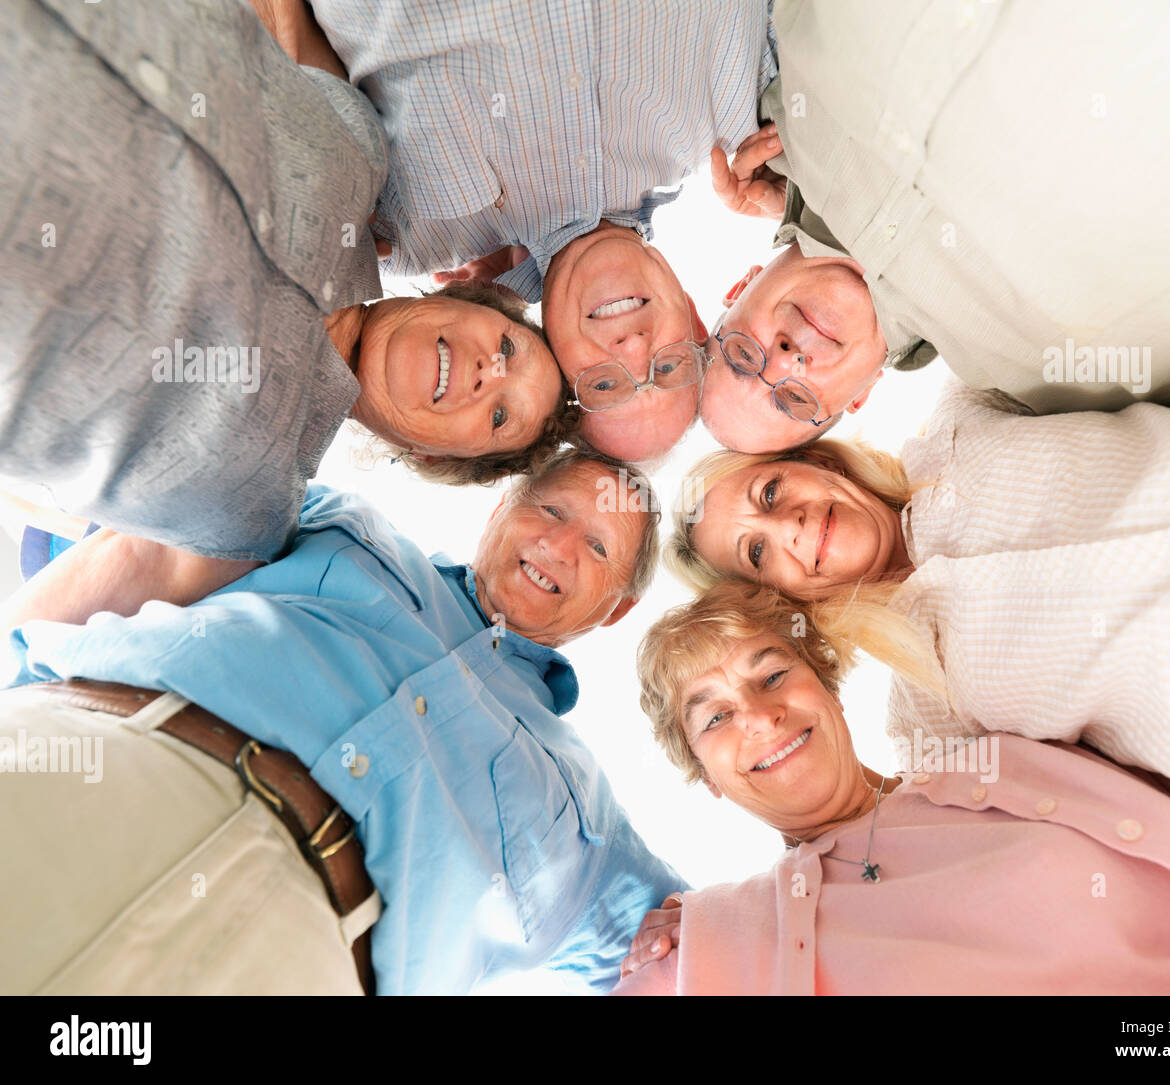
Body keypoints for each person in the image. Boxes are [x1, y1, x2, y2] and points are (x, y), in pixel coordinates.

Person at [0, 450, 684, 994]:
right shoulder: (343, 526)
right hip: (108, 752)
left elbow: (707, 952)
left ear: (615, 609)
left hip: (297, 959)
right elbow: (142, 558)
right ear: (501, 508)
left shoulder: (588, 819)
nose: (560, 545)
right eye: (551, 508)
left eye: (597, 547)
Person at [0, 0, 572, 581]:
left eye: (501, 416)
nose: (488, 373)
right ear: (457, 296)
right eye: (507, 348)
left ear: (433, 456)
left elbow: (100, 596)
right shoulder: (358, 157)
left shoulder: (250, 506)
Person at [666, 370, 1170, 881]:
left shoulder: (966, 408)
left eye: (771, 493)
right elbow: (933, 867)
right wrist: (712, 928)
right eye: (757, 552)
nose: (790, 526)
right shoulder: (926, 720)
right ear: (777, 599)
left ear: (815, 462)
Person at [615, 582, 1170, 994]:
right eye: (715, 715)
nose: (762, 716)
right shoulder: (708, 946)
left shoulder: (997, 768)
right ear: (704, 775)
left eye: (772, 675)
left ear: (828, 686)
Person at [701, 0, 1170, 453]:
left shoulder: (764, 109)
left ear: (738, 289)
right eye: (795, 399)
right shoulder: (1044, 381)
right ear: (859, 398)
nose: (781, 363)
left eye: (742, 356)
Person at [307, 0, 781, 462]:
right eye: (667, 367)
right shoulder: (746, 119)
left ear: (551, 355)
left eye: (603, 383)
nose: (633, 349)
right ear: (695, 322)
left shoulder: (398, 230)